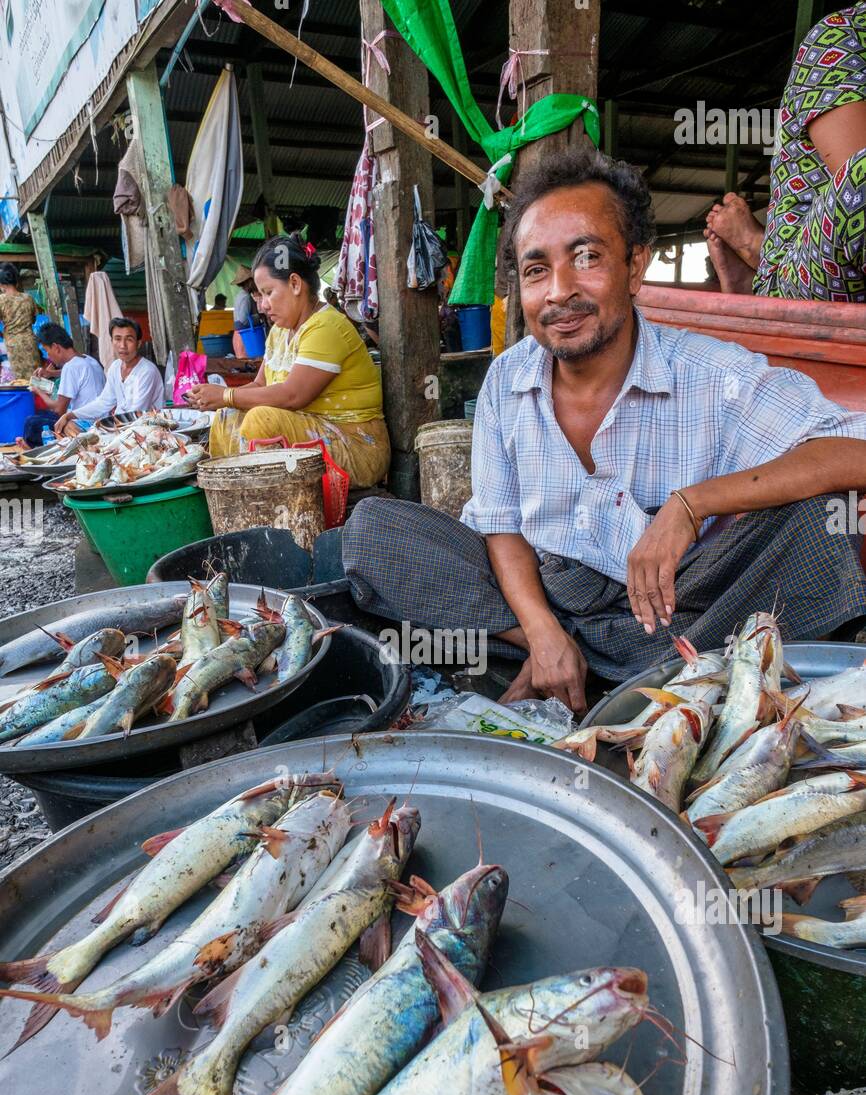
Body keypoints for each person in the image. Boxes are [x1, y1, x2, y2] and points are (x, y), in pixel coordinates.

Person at [343, 147, 866, 715]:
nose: (559, 290)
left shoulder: (710, 374)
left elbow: (855, 448)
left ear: (635, 265)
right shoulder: (505, 379)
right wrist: (542, 632)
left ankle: (618, 672)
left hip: (676, 609)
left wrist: (691, 505)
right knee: (373, 528)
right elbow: (501, 528)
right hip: (540, 603)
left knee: (819, 520)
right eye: (536, 269)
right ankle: (560, 658)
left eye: (586, 257)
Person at [188, 233, 390, 487]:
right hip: (314, 429)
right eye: (258, 296)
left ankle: (261, 503)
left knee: (261, 420)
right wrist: (218, 398)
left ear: (295, 284)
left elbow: (293, 395)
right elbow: (261, 386)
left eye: (268, 292)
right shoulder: (280, 331)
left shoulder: (327, 326)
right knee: (227, 416)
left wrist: (226, 394)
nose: (262, 306)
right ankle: (233, 496)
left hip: (357, 446)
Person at [705, 4, 866, 298]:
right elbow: (855, 182)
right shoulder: (842, 37)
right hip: (805, 273)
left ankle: (755, 248)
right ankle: (760, 258)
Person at [55, 317, 164, 433]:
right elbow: (103, 402)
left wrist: (104, 429)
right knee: (68, 425)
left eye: (129, 339)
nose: (123, 345)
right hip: (120, 428)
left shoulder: (147, 371)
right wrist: (70, 415)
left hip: (146, 430)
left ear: (138, 344)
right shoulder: (115, 367)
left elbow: (136, 414)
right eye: (117, 339)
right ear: (112, 341)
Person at [22, 324, 105, 447]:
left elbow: (59, 410)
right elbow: (77, 373)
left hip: (85, 426)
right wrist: (51, 373)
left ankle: (31, 445)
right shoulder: (88, 359)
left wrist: (38, 391)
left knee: (31, 423)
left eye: (47, 351)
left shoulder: (70, 367)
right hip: (101, 419)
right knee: (42, 416)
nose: (48, 356)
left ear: (56, 347)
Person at [0, 264, 41, 380]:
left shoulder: (1, 300)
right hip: (30, 343)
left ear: (2, 285)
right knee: (36, 378)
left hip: (13, 345)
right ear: (16, 282)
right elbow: (33, 320)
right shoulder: (28, 298)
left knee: (19, 381)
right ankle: (39, 398)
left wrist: (2, 333)